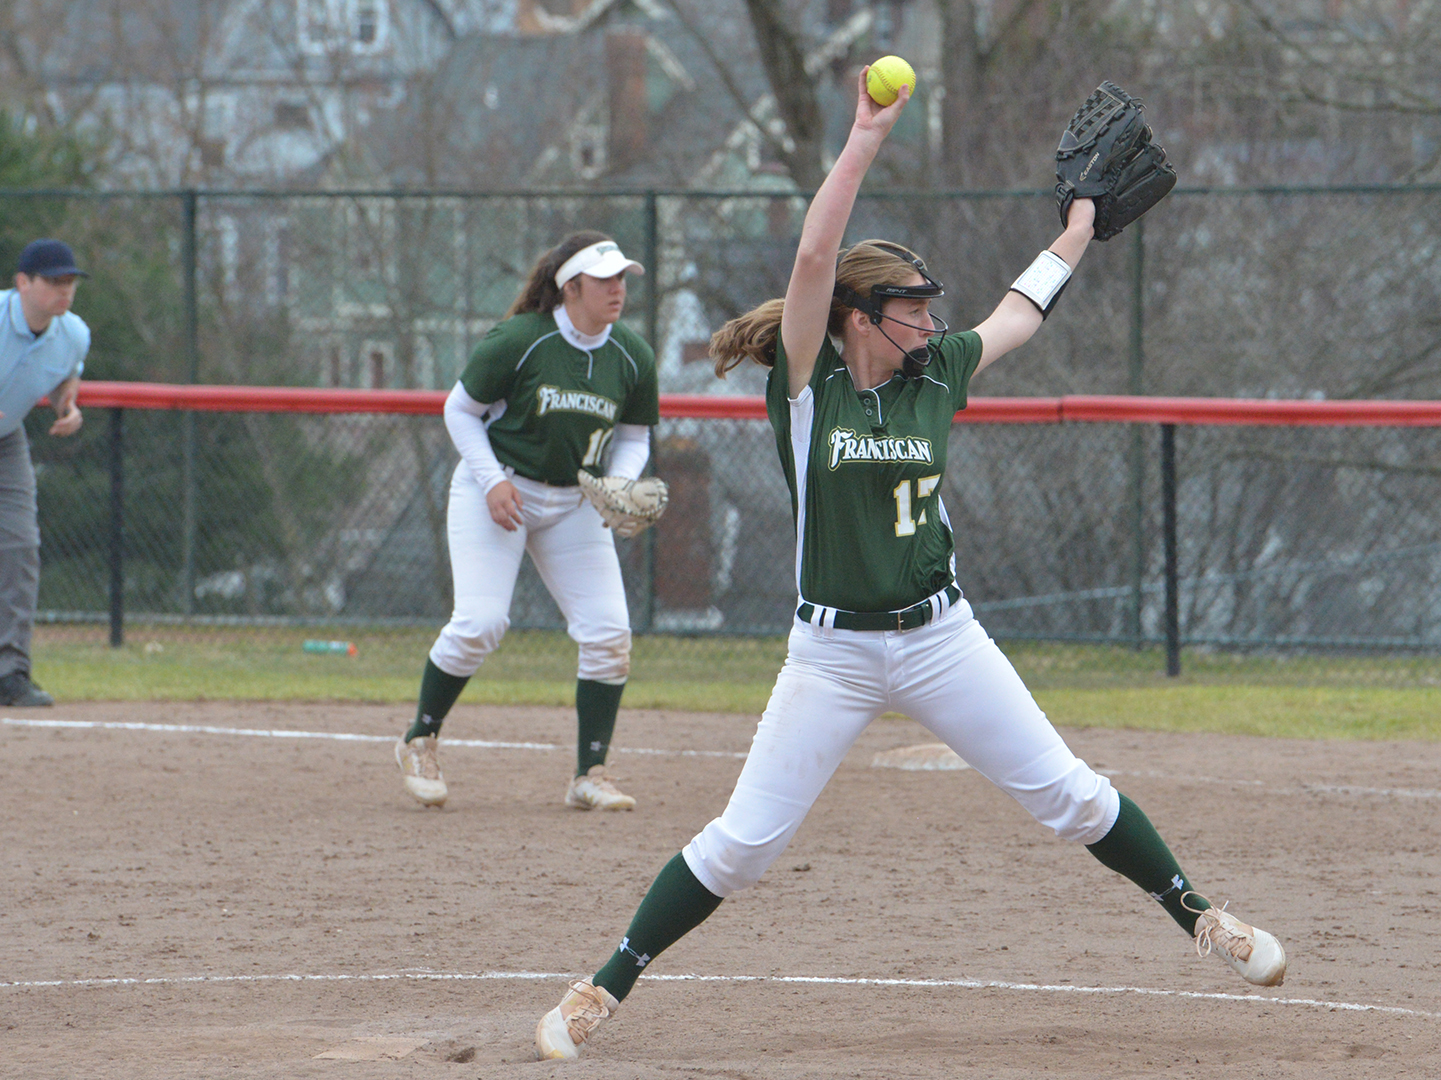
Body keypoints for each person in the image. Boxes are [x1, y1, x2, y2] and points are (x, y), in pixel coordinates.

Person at [533, 71, 1286, 1062]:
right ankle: (603, 985)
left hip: (941, 639)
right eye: (912, 309)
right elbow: (815, 255)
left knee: (1071, 795)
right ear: (860, 317)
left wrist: (1077, 230)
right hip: (832, 655)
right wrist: (863, 137)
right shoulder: (810, 388)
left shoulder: (937, 377)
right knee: (743, 846)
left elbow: (1020, 312)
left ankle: (1203, 919)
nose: (931, 323)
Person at [393, 231, 660, 810]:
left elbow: (635, 436)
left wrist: (618, 484)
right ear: (571, 287)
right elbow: (459, 411)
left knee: (609, 635)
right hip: (499, 490)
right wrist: (491, 480)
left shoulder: (632, 354)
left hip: (575, 503)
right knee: (481, 622)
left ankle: (590, 774)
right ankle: (420, 739)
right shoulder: (520, 339)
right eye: (605, 279)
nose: (618, 289)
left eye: (622, 278)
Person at [0, 239, 89, 708]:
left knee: (20, 546)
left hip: (5, 438)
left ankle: (10, 674)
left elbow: (63, 374)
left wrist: (65, 403)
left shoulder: (73, 333)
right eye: (54, 281)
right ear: (22, 283)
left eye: (69, 281)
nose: (64, 290)